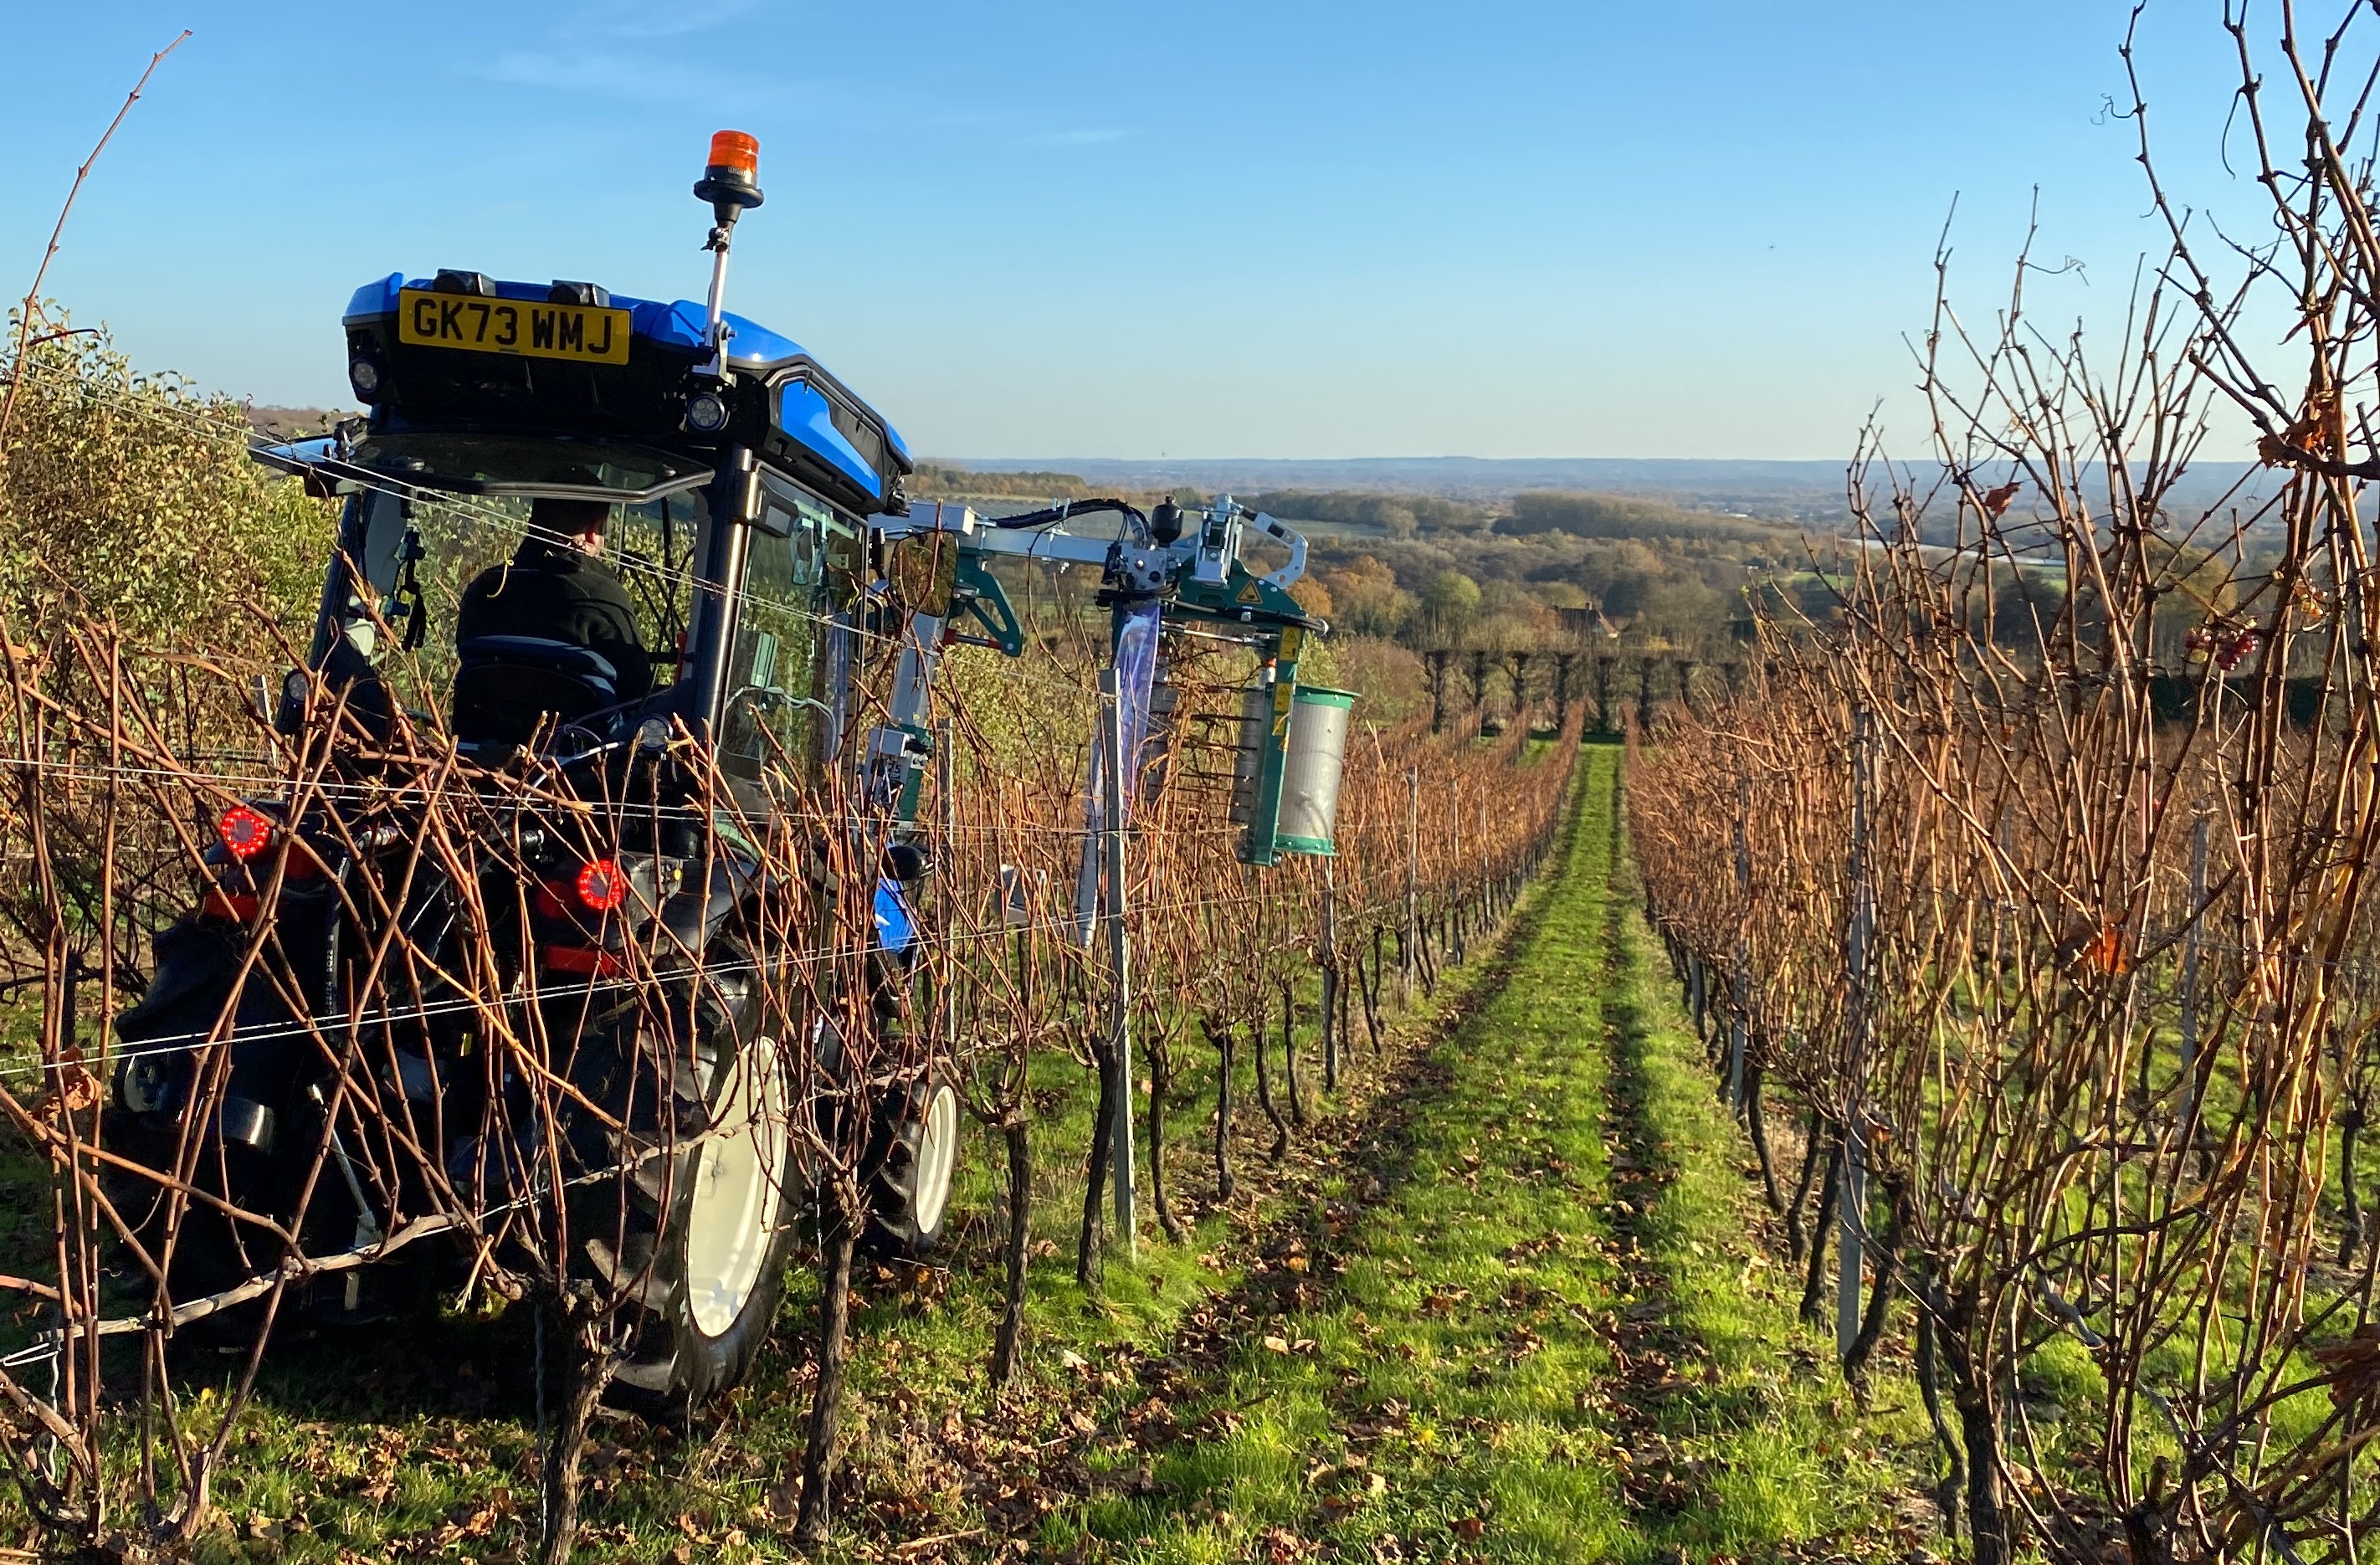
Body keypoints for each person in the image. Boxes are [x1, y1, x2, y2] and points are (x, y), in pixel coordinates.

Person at [455, 495, 654, 701]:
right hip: (577, 733)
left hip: (480, 730)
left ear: (532, 523)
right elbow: (637, 689)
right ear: (593, 532)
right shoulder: (601, 595)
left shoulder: (484, 588)